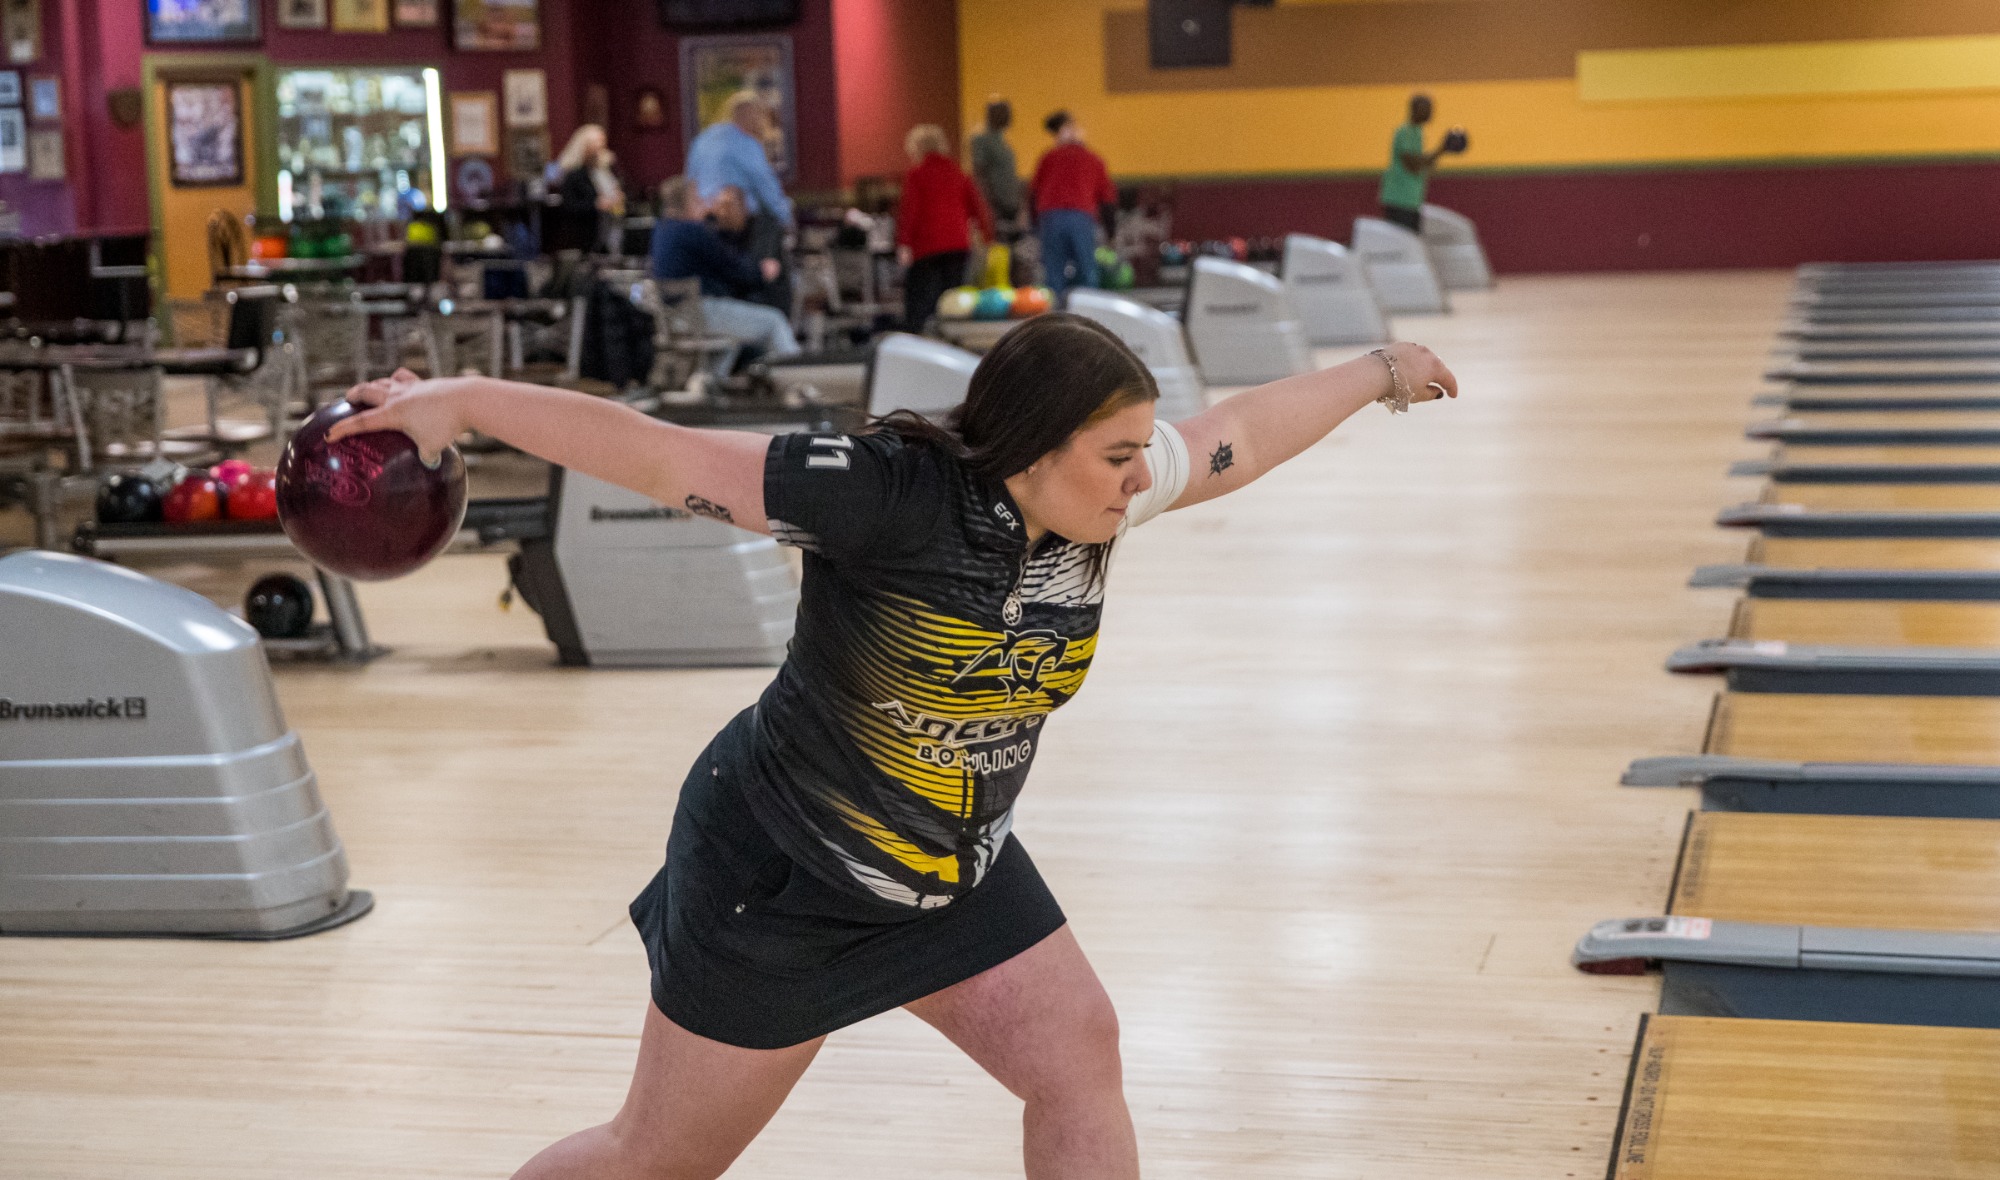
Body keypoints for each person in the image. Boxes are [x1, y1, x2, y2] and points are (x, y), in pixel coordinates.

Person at [326, 316, 1458, 1180]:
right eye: (1116, 454)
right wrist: (459, 401)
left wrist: (1375, 374)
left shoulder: (1090, 503)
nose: (1140, 473)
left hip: (952, 864)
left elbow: (1236, 438)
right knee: (653, 1160)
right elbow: (656, 454)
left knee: (1075, 1053)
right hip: (780, 876)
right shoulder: (882, 497)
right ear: (1034, 445)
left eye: (1138, 454)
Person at [649, 176, 799, 369]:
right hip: (699, 314)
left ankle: (711, 386)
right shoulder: (693, 231)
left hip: (674, 317)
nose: (706, 204)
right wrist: (762, 272)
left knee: (730, 342)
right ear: (689, 201)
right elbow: (735, 269)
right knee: (774, 321)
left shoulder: (662, 230)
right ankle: (799, 380)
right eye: (699, 198)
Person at [896, 124, 993, 332]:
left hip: (927, 246)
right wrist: (986, 237)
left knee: (919, 298)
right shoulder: (959, 173)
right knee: (952, 298)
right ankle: (951, 338)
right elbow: (979, 209)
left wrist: (904, 243)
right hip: (958, 245)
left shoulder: (917, 174)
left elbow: (910, 211)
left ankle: (915, 340)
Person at [1031, 110, 1117, 304]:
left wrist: (1035, 226)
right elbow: (1108, 200)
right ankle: (1089, 317)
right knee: (1087, 272)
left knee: (1053, 276)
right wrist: (1111, 233)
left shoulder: (1048, 158)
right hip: (1081, 217)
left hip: (1050, 217)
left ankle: (1054, 322)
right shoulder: (1094, 159)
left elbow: (1033, 194)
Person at [685, 90, 795, 229]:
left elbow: (690, 182)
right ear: (748, 113)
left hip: (701, 220)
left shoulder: (704, 138)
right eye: (759, 114)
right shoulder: (746, 142)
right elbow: (764, 183)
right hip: (735, 223)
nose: (762, 122)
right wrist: (785, 216)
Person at [1379, 93, 1464, 234]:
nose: (1430, 112)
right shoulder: (1404, 132)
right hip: (1398, 199)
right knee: (1403, 244)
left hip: (1412, 200)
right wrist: (1441, 149)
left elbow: (1422, 163)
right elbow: (1413, 165)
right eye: (1426, 108)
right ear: (1414, 109)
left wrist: (1441, 152)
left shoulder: (1417, 133)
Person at [710, 184, 792, 318]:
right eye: (719, 206)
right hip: (733, 303)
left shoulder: (765, 228)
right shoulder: (718, 232)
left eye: (728, 206)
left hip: (765, 302)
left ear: (743, 207)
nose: (723, 212)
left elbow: (766, 270)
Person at [967, 96, 1023, 239]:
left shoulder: (1002, 140)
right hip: (996, 203)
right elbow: (979, 171)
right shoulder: (982, 140)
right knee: (999, 248)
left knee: (1012, 247)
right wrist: (989, 203)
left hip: (1011, 201)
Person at [554, 124, 614, 253]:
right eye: (596, 143)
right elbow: (568, 205)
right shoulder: (573, 174)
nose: (601, 147)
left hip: (603, 232)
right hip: (581, 236)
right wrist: (595, 205)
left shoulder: (602, 171)